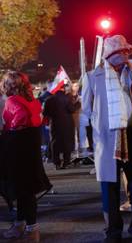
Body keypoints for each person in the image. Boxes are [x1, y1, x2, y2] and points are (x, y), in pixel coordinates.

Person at [81, 35, 132, 243]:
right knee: (110, 189)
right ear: (109, 56)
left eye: (127, 51)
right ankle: (113, 233)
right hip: (109, 140)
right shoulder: (91, 77)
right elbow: (87, 110)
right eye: (120, 52)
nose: (125, 55)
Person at [0, 71, 51, 242]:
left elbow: (20, 117)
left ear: (9, 85)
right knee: (26, 188)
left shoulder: (12, 100)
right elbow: (36, 118)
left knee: (22, 189)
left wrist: (13, 129)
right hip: (30, 145)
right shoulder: (32, 99)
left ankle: (31, 229)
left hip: (17, 146)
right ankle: (22, 224)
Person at [43, 82, 78, 169]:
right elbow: (72, 109)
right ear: (63, 89)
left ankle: (56, 163)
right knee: (67, 142)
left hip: (54, 124)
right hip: (67, 124)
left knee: (55, 143)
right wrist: (78, 104)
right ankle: (66, 162)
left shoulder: (49, 99)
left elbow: (45, 113)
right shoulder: (67, 98)